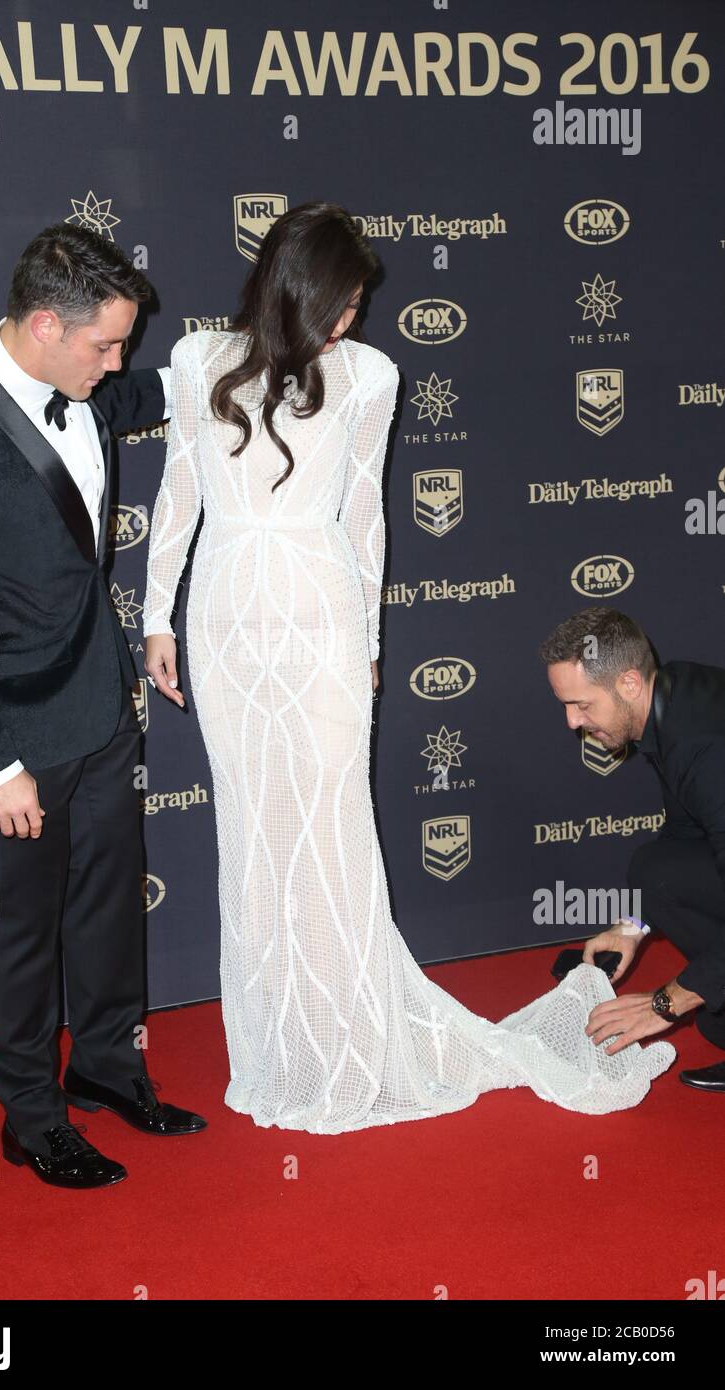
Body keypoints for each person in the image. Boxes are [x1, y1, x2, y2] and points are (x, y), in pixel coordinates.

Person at [142, 201, 675, 1134]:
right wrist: (155, 617)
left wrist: (374, 645)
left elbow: (367, 518)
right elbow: (179, 491)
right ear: (296, 288)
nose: (350, 321)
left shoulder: (371, 375)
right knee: (257, 845)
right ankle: (282, 1047)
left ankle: (352, 1045)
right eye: (342, 302)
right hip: (227, 624)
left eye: (355, 306)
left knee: (332, 840)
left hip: (325, 624)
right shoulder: (197, 361)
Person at [0, 223, 207, 1190]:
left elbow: (144, 395)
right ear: (41, 324)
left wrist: (254, 355)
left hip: (103, 704)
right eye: (104, 346)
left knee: (111, 908)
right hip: (19, 737)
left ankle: (110, 1070)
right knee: (25, 933)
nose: (119, 365)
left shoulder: (82, 382)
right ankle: (30, 1117)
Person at [541, 606, 725, 1093]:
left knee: (709, 1012)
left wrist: (665, 1003)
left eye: (582, 704)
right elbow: (686, 839)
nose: (571, 721)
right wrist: (631, 928)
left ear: (626, 684)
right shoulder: (671, 701)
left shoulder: (706, 748)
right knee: (655, 870)